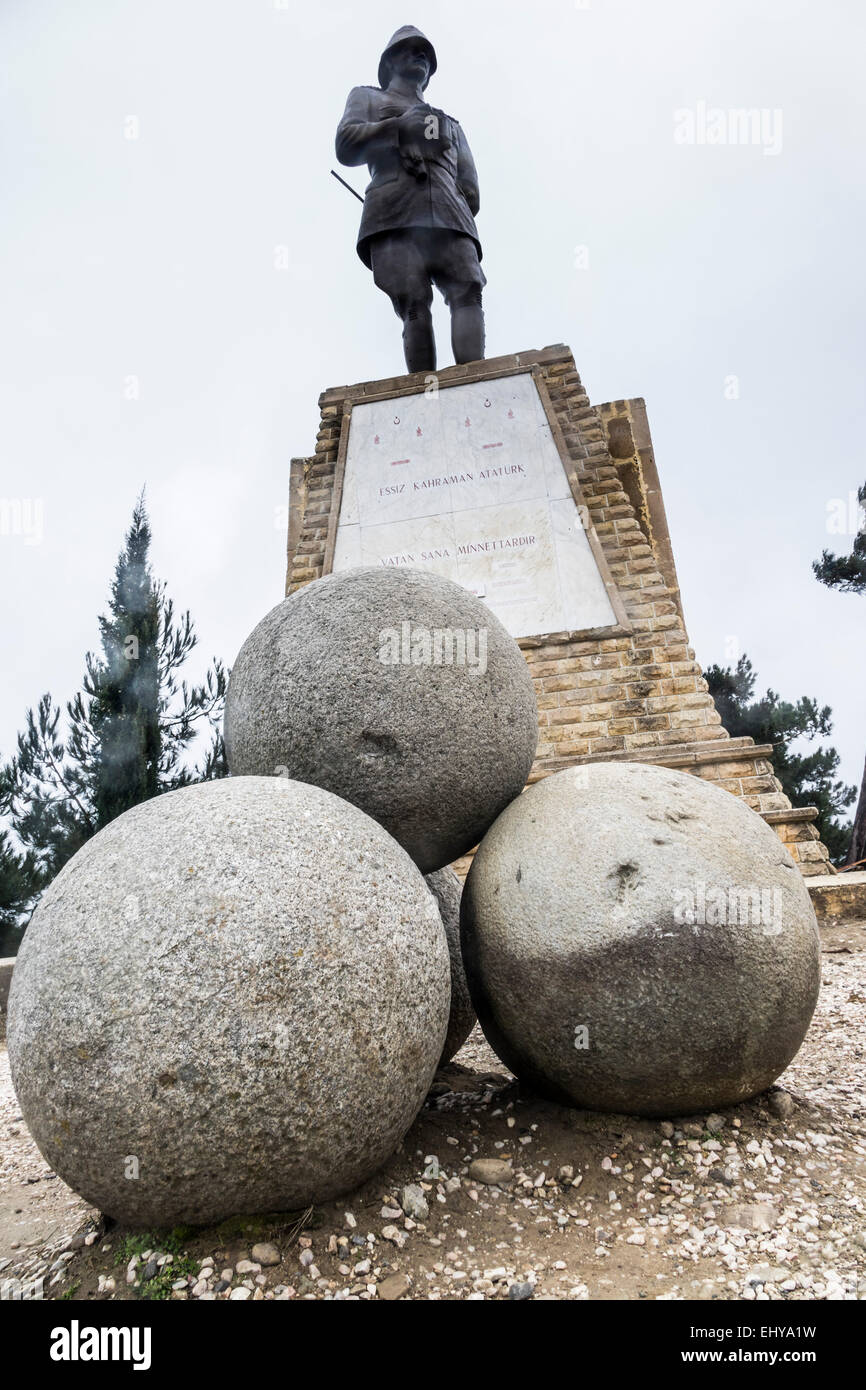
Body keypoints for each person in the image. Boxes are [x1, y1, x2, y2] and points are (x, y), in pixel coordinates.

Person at [336, 25, 486, 373]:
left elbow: (471, 189)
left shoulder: (451, 124)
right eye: (409, 49)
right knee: (414, 303)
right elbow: (346, 143)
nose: (419, 55)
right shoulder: (368, 98)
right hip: (393, 215)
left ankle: (477, 381)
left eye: (425, 52)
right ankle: (423, 393)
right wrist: (400, 129)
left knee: (468, 291)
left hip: (451, 218)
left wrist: (450, 202)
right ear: (389, 63)